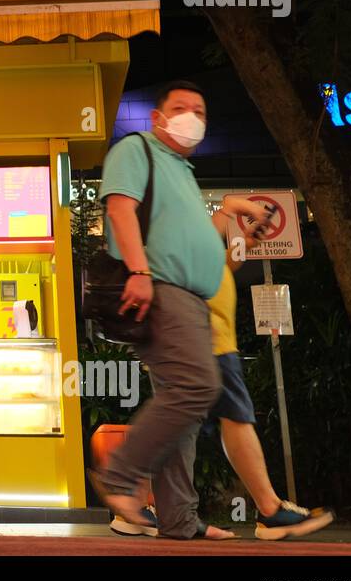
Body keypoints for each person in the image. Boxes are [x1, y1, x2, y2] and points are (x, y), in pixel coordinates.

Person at [92, 81, 225, 541]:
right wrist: (141, 272)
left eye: (200, 110)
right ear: (157, 117)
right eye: (181, 107)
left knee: (183, 412)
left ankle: (179, 519)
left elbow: (187, 232)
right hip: (163, 290)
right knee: (198, 386)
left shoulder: (182, 169)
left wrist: (231, 213)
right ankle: (119, 476)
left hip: (188, 298)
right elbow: (120, 209)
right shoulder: (137, 149)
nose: (192, 116)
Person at [201, 198, 334, 540]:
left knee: (187, 426)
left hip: (210, 338)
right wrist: (233, 208)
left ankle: (149, 506)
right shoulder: (181, 220)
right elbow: (207, 245)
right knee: (233, 418)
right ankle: (269, 509)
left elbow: (217, 265)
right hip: (210, 338)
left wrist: (245, 242)